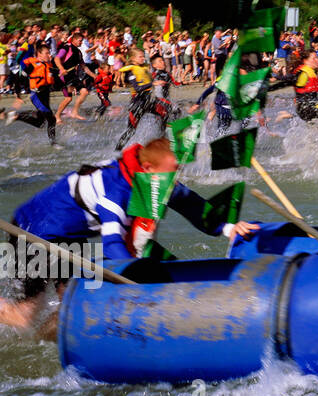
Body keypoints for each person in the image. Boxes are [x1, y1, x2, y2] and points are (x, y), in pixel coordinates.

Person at [0, 137, 260, 334]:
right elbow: (113, 245)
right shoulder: (116, 193)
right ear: (147, 168)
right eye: (172, 172)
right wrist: (136, 288)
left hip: (68, 236)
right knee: (25, 316)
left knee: (71, 310)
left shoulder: (154, 178)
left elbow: (189, 203)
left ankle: (56, 345)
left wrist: (229, 229)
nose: (176, 179)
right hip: (33, 230)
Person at [8, 43, 61, 143]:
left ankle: (17, 116)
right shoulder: (33, 66)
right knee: (52, 119)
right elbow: (17, 78)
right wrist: (18, 95)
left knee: (40, 123)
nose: (49, 55)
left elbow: (54, 78)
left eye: (49, 53)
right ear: (39, 54)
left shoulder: (48, 65)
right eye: (46, 53)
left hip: (45, 95)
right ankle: (53, 143)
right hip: (36, 95)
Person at [273, 50, 318, 122]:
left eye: (317, 57)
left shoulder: (317, 72)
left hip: (315, 106)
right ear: (306, 61)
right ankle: (288, 115)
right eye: (314, 58)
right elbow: (286, 82)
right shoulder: (303, 73)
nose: (317, 60)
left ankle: (288, 115)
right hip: (304, 108)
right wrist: (269, 88)